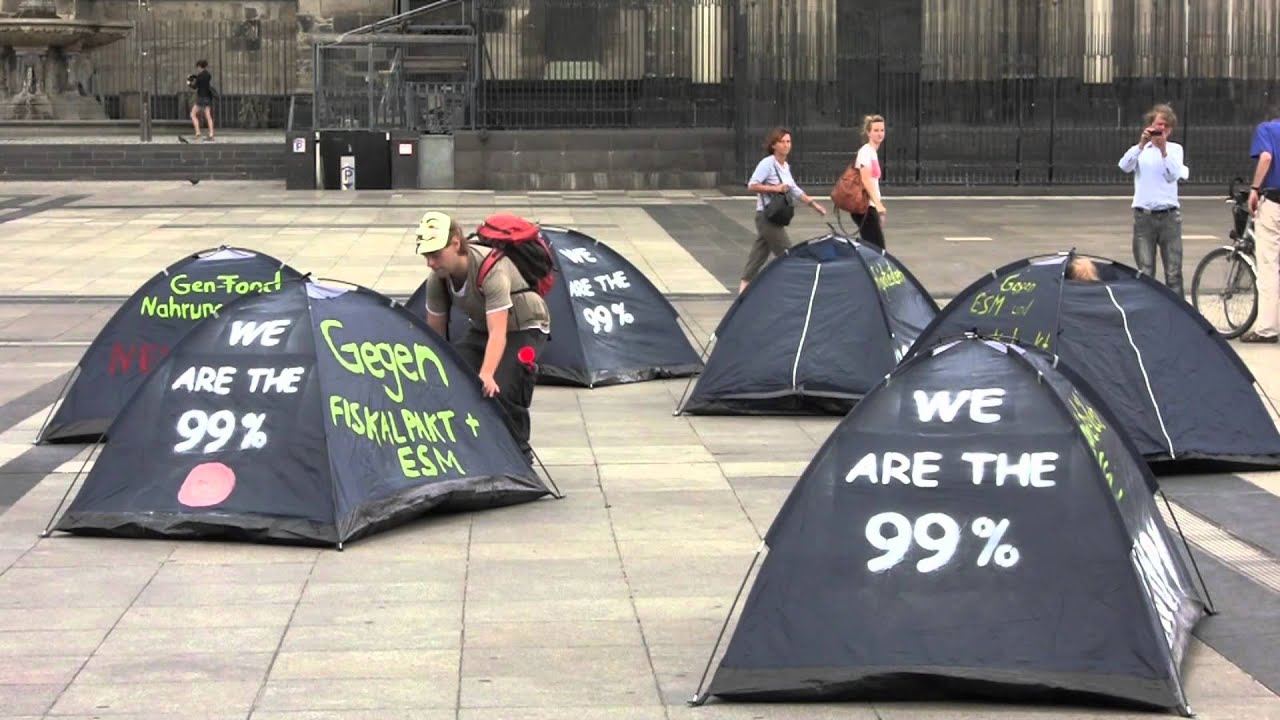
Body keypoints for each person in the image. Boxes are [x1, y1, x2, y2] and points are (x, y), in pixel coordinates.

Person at [416, 211, 551, 461]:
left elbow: (499, 332)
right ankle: (474, 452)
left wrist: (487, 373)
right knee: (456, 377)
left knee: (502, 386)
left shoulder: (491, 268)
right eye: (426, 256)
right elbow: (435, 334)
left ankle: (519, 457)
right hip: (482, 328)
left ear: (455, 243)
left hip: (526, 327)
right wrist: (432, 372)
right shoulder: (438, 279)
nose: (431, 263)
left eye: (436, 255)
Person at [741, 127, 827, 294]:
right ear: (774, 145)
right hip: (766, 216)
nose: (786, 145)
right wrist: (775, 188)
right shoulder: (768, 163)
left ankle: (742, 293)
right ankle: (797, 291)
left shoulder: (785, 166)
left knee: (757, 257)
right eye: (782, 142)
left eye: (788, 141)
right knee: (787, 253)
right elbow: (752, 185)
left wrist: (813, 204)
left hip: (775, 217)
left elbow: (794, 189)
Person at [1118, 103, 1188, 298]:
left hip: (1169, 217)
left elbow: (1173, 175)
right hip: (1144, 217)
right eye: (1158, 125)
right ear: (1150, 126)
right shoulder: (1141, 151)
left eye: (1165, 126)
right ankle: (1148, 310)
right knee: (1145, 271)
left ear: (1170, 129)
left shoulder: (1175, 150)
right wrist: (1141, 144)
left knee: (1173, 273)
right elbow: (1124, 166)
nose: (1161, 129)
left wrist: (1163, 150)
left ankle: (1176, 312)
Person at [1242, 104, 1280, 344]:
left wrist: (1255, 189)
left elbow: (1266, 156)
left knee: (1268, 265)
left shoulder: (1266, 129)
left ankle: (1267, 329)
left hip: (1275, 202)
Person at [849, 114, 888, 249]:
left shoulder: (872, 152)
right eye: (876, 130)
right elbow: (866, 180)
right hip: (864, 207)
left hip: (870, 207)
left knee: (872, 248)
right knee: (878, 249)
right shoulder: (865, 152)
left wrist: (878, 208)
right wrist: (878, 205)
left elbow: (873, 184)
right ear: (868, 132)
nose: (879, 133)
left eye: (882, 130)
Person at [188, 60, 215, 142]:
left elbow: (195, 87)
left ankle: (198, 133)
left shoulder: (200, 76)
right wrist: (195, 77)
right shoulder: (208, 75)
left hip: (200, 98)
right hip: (207, 97)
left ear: (200, 66)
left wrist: (189, 82)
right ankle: (211, 134)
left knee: (193, 114)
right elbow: (202, 80)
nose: (197, 69)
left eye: (197, 67)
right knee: (208, 116)